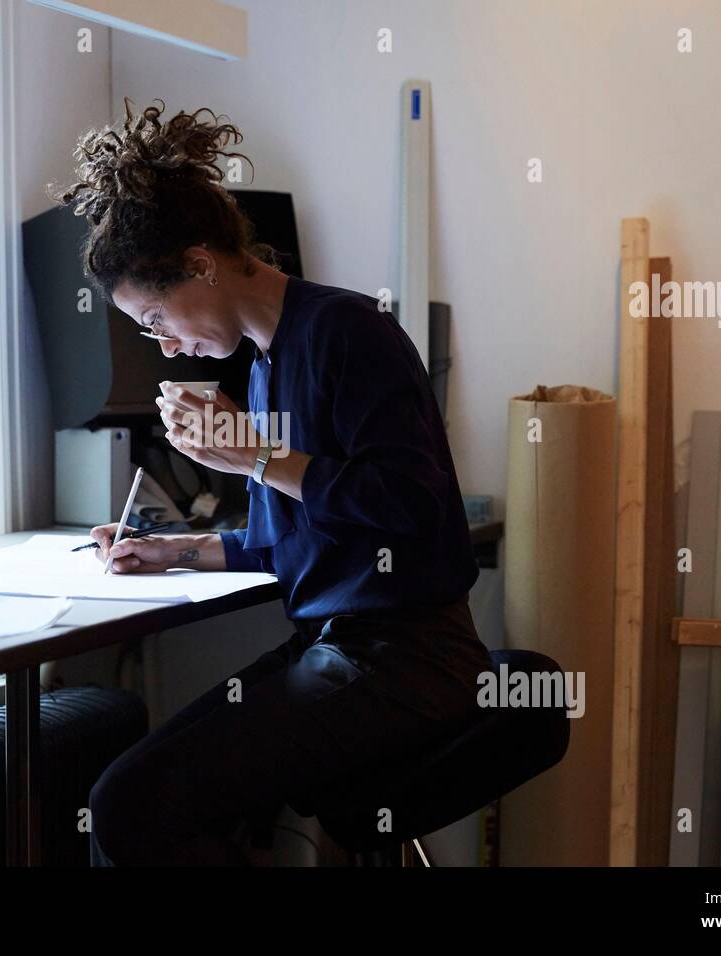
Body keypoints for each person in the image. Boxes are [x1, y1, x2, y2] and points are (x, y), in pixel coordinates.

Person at [51, 99, 491, 866]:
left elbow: (413, 510)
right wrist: (170, 551)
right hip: (339, 646)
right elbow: (284, 539)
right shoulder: (260, 368)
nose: (165, 342)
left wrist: (253, 458)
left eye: (156, 317)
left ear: (200, 263)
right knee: (126, 798)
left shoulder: (348, 332)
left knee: (131, 808)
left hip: (411, 659)